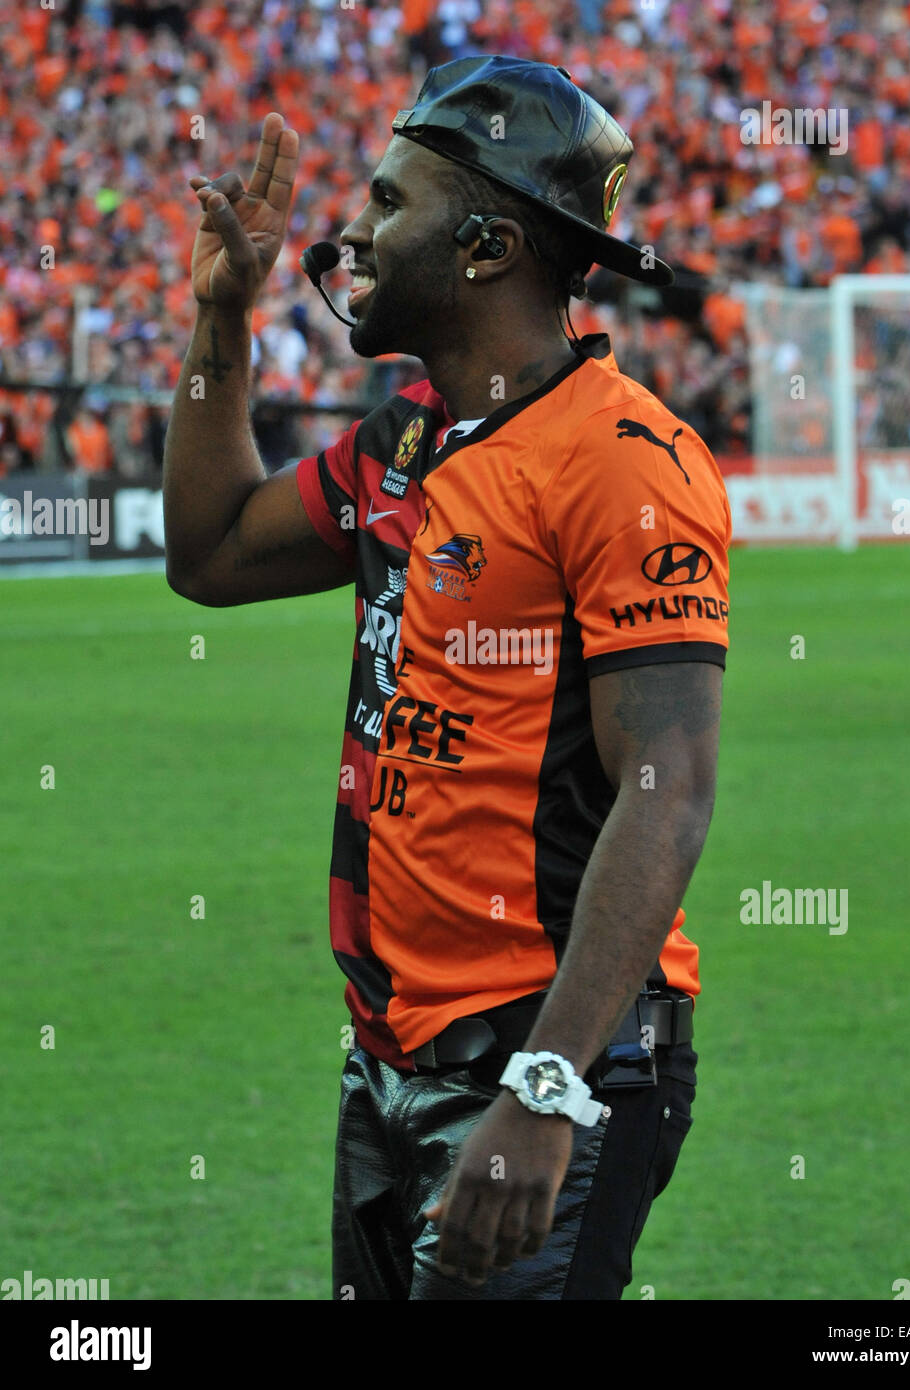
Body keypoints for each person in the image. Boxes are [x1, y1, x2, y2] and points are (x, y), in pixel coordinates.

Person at [164, 55, 731, 1301]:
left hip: (544, 1059)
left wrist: (548, 1088)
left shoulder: (624, 462)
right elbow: (207, 554)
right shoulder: (407, 436)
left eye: (385, 202)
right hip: (389, 1056)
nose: (353, 233)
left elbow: (668, 786)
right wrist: (221, 319)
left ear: (483, 245)